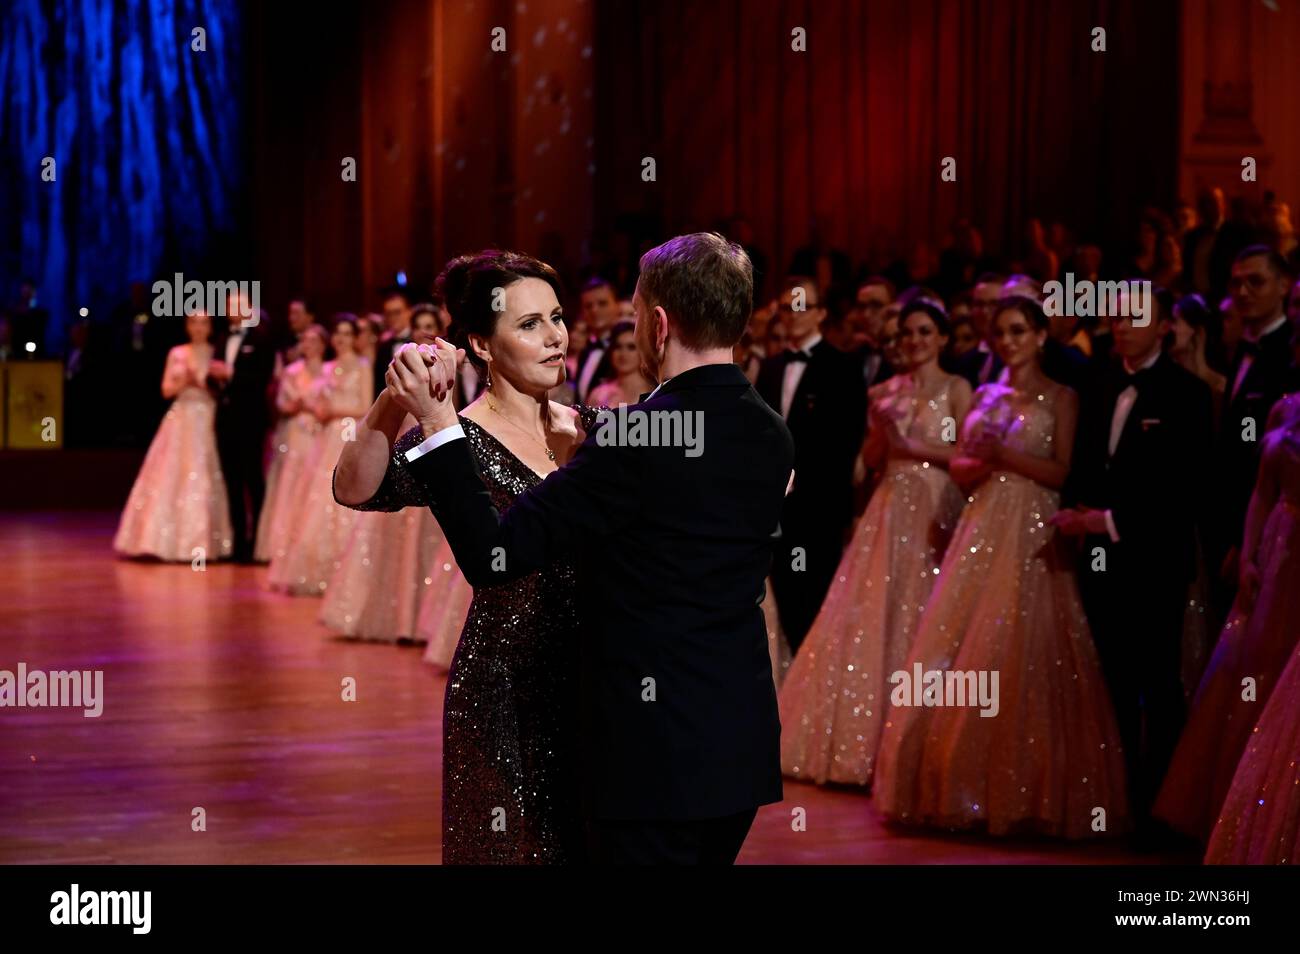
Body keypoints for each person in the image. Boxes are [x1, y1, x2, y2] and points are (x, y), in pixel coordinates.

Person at [342, 233, 794, 865]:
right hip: (514, 689)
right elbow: (355, 489)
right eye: (531, 323)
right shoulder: (755, 428)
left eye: (557, 317)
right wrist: (394, 401)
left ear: (657, 326)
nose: (557, 335)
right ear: (482, 344)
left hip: (609, 706)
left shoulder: (602, 430)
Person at [872, 296, 1129, 838]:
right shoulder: (986, 395)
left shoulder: (1062, 396)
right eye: (1001, 334)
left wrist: (1000, 456)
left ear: (1040, 336)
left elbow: (1061, 470)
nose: (1008, 342)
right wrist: (976, 458)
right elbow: (963, 469)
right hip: (982, 522)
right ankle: (960, 782)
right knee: (965, 642)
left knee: (1027, 643)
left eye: (1019, 331)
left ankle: (1028, 786)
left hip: (1033, 524)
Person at [779, 298, 969, 786]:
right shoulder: (883, 391)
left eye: (925, 332)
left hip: (936, 502)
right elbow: (867, 457)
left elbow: (967, 458)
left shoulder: (958, 389)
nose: (915, 341)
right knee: (877, 610)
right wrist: (885, 438)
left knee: (926, 609)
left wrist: (914, 447)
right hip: (890, 503)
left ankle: (921, 748)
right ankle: (869, 748)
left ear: (943, 339)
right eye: (907, 333)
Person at [1056, 288, 1213, 838]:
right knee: (1110, 679)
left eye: (1134, 316)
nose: (1121, 325)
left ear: (1166, 325)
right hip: (1097, 556)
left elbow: (1180, 489)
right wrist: (1076, 516)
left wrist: (1107, 520)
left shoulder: (1189, 395)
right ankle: (1116, 796)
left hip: (1153, 558)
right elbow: (1082, 462)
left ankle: (1159, 806)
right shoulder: (1097, 383)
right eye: (1116, 315)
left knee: (1158, 683)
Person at [1154, 392, 1300, 843]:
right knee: (1261, 672)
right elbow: (1261, 492)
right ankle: (1244, 814)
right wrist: (1249, 554)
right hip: (1280, 554)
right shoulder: (1287, 406)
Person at [320, 305, 454, 640]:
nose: (424, 330)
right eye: (418, 325)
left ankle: (420, 621)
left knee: (428, 541)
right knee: (395, 539)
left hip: (436, 448)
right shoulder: (402, 364)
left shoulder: (451, 365)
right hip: (406, 447)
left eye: (430, 325)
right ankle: (396, 619)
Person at [756, 276, 867, 651]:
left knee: (815, 605)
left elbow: (844, 445)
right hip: (775, 509)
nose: (792, 315)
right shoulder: (770, 368)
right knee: (781, 602)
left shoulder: (844, 368)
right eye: (786, 307)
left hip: (819, 510)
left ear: (820, 314)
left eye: (801, 306)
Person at [1210, 246, 1294, 617]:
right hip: (1230, 517)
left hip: (1267, 527)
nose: (1242, 292)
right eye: (1236, 283)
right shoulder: (1243, 348)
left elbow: (1263, 459)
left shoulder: (1290, 355)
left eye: (1255, 281)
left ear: (1284, 285)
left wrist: (1243, 541)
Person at [114, 310, 233, 561]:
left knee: (203, 472)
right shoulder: (177, 353)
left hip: (207, 417)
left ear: (210, 327)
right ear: (187, 326)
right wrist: (185, 382)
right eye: (194, 323)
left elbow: (222, 393)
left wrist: (203, 382)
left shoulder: (216, 353)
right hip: (181, 417)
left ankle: (202, 542)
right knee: (171, 472)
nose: (199, 328)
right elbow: (165, 389)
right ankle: (161, 540)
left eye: (204, 323)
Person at [267, 315, 372, 594]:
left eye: (347, 334)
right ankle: (319, 568)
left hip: (347, 431)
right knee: (318, 496)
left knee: (346, 492)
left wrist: (332, 412)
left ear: (354, 338)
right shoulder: (325, 367)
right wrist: (314, 409)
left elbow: (364, 406)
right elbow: (310, 401)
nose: (341, 339)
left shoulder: (363, 366)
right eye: (337, 333)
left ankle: (347, 569)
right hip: (324, 435)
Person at [209, 291, 277, 563]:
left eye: (237, 305)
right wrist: (214, 378)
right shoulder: (223, 337)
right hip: (226, 418)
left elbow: (263, 377)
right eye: (228, 306)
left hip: (250, 420)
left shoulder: (261, 338)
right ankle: (237, 542)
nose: (231, 310)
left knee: (253, 479)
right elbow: (215, 375)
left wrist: (231, 374)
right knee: (231, 481)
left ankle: (256, 541)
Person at [254, 324, 327, 563]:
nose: (309, 345)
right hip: (296, 430)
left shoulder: (329, 371)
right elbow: (282, 404)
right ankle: (280, 544)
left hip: (320, 430)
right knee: (290, 481)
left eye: (314, 340)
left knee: (313, 482)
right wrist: (296, 406)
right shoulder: (293, 371)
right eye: (305, 340)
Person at [572, 276, 620, 401]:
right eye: (588, 306)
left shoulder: (628, 348)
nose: (594, 310)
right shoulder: (585, 351)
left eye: (602, 303)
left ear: (617, 305)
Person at [586, 320, 652, 407]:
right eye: (618, 347)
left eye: (631, 347)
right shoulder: (598, 394)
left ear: (641, 351)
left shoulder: (653, 392)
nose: (623, 354)